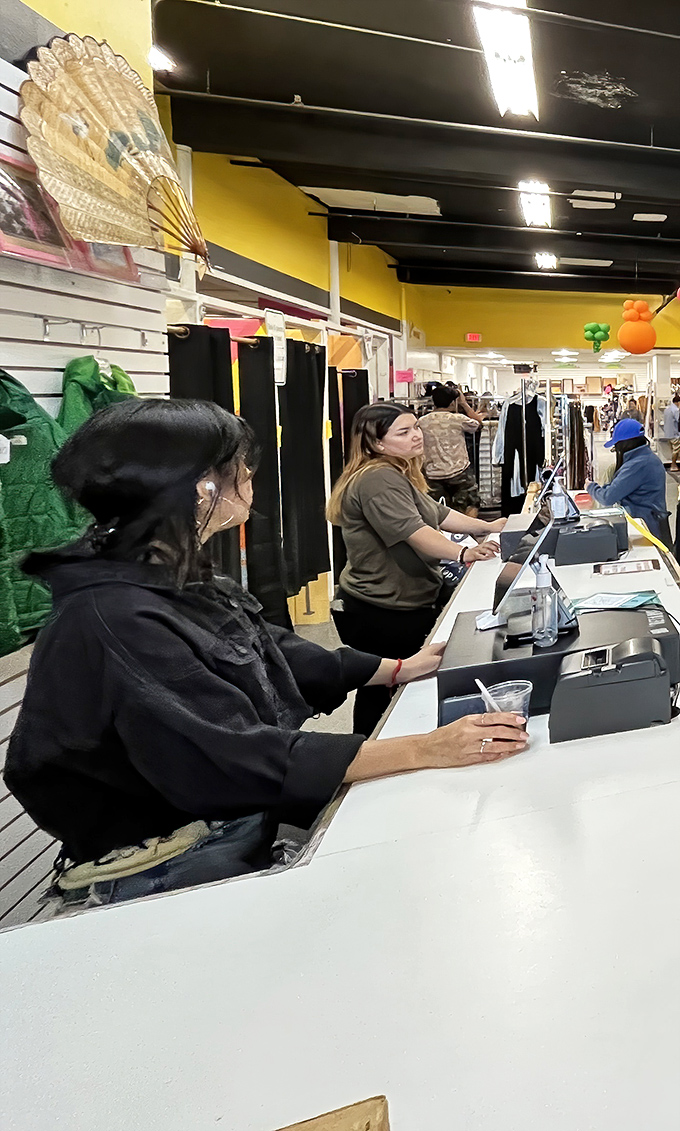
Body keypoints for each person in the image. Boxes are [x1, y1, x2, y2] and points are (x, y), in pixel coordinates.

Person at [4, 399, 527, 909]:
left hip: (221, 827)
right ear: (202, 486)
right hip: (170, 867)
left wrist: (393, 669)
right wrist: (422, 749)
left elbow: (259, 644)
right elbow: (227, 754)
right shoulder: (116, 615)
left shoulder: (159, 572)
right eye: (240, 468)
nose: (250, 478)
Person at [328, 402, 505, 735]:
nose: (416, 437)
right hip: (382, 608)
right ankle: (371, 759)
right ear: (376, 442)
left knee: (388, 688)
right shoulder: (377, 478)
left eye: (416, 428)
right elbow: (416, 533)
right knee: (386, 691)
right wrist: (464, 553)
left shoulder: (393, 470)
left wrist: (488, 527)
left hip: (392, 601)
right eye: (403, 432)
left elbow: (438, 516)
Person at [587, 418, 670, 544]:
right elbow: (618, 487)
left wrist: (590, 487)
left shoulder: (638, 465)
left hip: (646, 527)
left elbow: (608, 497)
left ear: (624, 444)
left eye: (616, 446)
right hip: (648, 522)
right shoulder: (645, 458)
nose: (616, 449)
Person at [420, 386, 482, 514]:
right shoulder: (457, 419)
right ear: (453, 402)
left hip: (433, 474)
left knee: (438, 511)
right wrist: (464, 404)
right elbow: (478, 423)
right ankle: (468, 532)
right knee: (469, 505)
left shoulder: (422, 422)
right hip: (459, 471)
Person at [663, 394, 680, 473]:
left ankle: (674, 464)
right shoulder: (676, 410)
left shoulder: (667, 409)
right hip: (674, 433)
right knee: (676, 450)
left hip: (667, 433)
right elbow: (678, 420)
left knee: (672, 450)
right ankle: (673, 465)